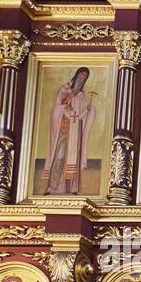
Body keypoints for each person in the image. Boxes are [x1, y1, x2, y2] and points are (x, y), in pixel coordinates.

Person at [43, 67, 97, 195]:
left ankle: (72, 188)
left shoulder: (82, 96)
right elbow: (56, 109)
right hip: (64, 129)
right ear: (76, 74)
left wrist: (89, 110)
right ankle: (53, 187)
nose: (82, 78)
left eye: (85, 77)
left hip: (75, 130)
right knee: (59, 155)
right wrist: (65, 107)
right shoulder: (65, 90)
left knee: (74, 158)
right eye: (81, 75)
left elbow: (83, 113)